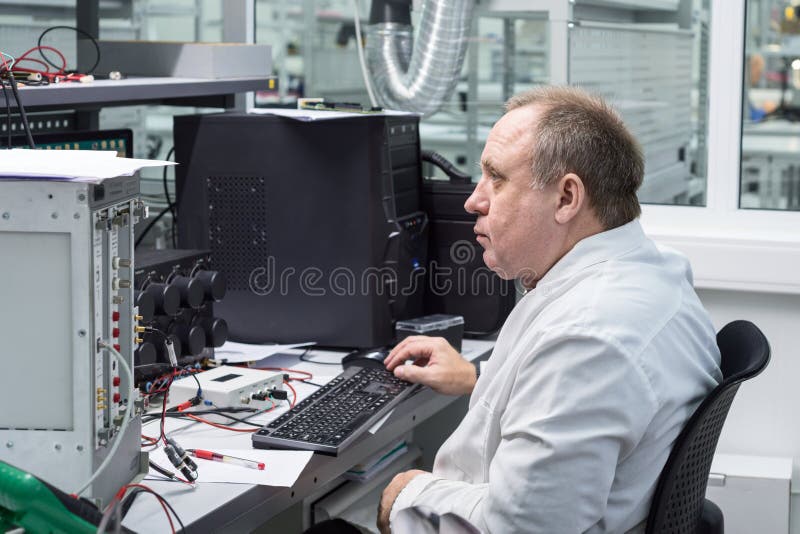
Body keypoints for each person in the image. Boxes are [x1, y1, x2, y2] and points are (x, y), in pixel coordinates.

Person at [376, 86, 722, 533]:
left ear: (566, 199)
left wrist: (407, 495)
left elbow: (520, 527)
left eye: (495, 178)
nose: (473, 201)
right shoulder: (654, 273)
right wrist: (478, 379)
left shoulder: (588, 339)